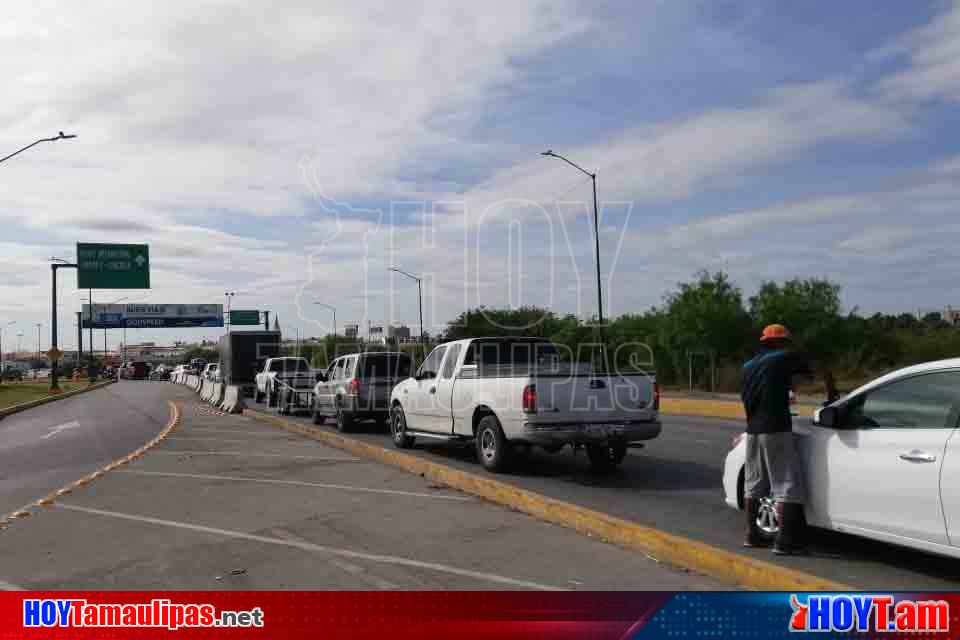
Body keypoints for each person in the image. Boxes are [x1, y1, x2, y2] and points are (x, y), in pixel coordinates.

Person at [740, 324, 812, 555]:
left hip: (753, 430)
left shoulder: (748, 366)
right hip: (775, 428)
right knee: (785, 485)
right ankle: (785, 542)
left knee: (754, 484)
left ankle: (752, 536)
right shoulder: (781, 358)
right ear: (781, 342)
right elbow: (807, 368)